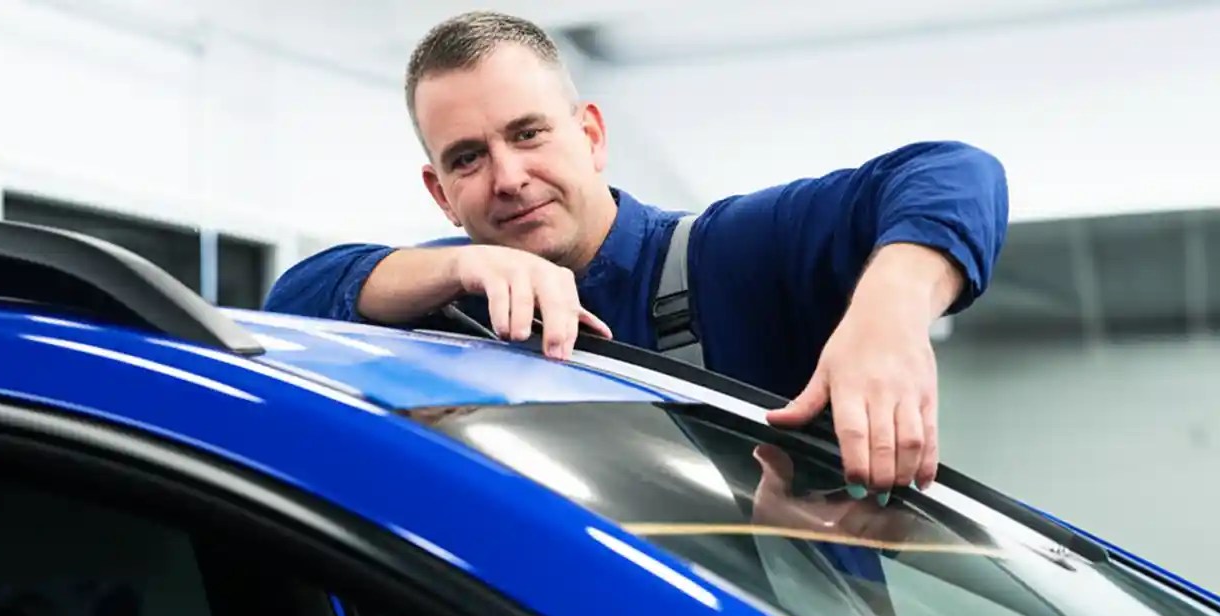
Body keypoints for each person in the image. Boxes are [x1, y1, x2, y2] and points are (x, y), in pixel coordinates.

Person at [262, 10, 1010, 500]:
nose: (509, 177)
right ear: (440, 192)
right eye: (468, 158)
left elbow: (954, 172)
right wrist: (459, 265)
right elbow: (290, 304)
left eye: (528, 134)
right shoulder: (453, 302)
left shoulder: (727, 254)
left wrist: (889, 319)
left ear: (589, 135)